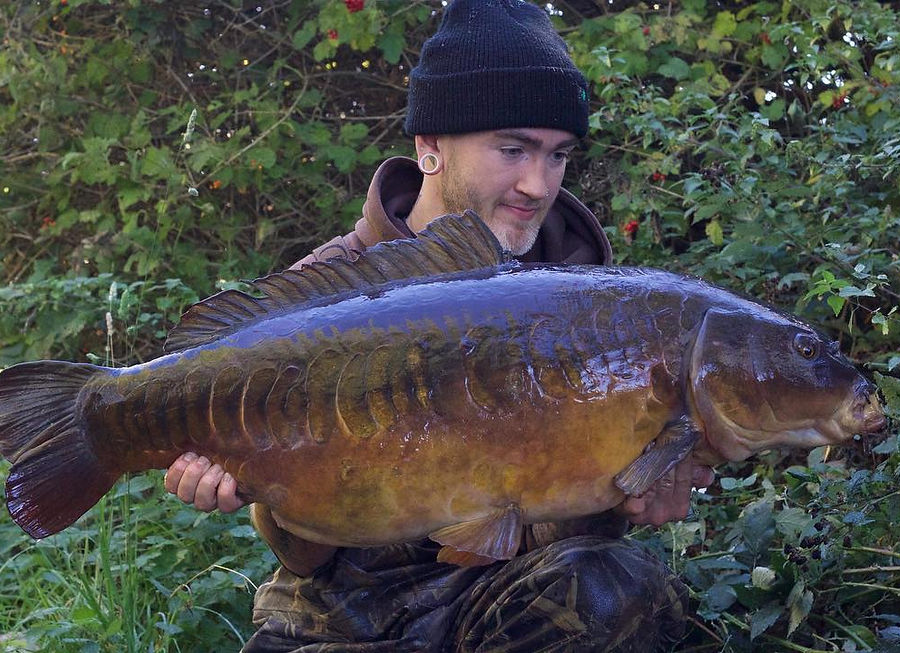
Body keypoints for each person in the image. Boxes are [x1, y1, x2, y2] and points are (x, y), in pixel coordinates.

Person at [165, 1, 714, 650]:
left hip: (514, 607)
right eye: (512, 149)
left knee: (618, 588)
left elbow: (586, 525)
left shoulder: (595, 305)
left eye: (558, 155)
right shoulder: (326, 295)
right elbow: (302, 556)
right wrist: (242, 478)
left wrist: (638, 497)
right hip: (348, 619)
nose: (538, 185)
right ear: (429, 146)